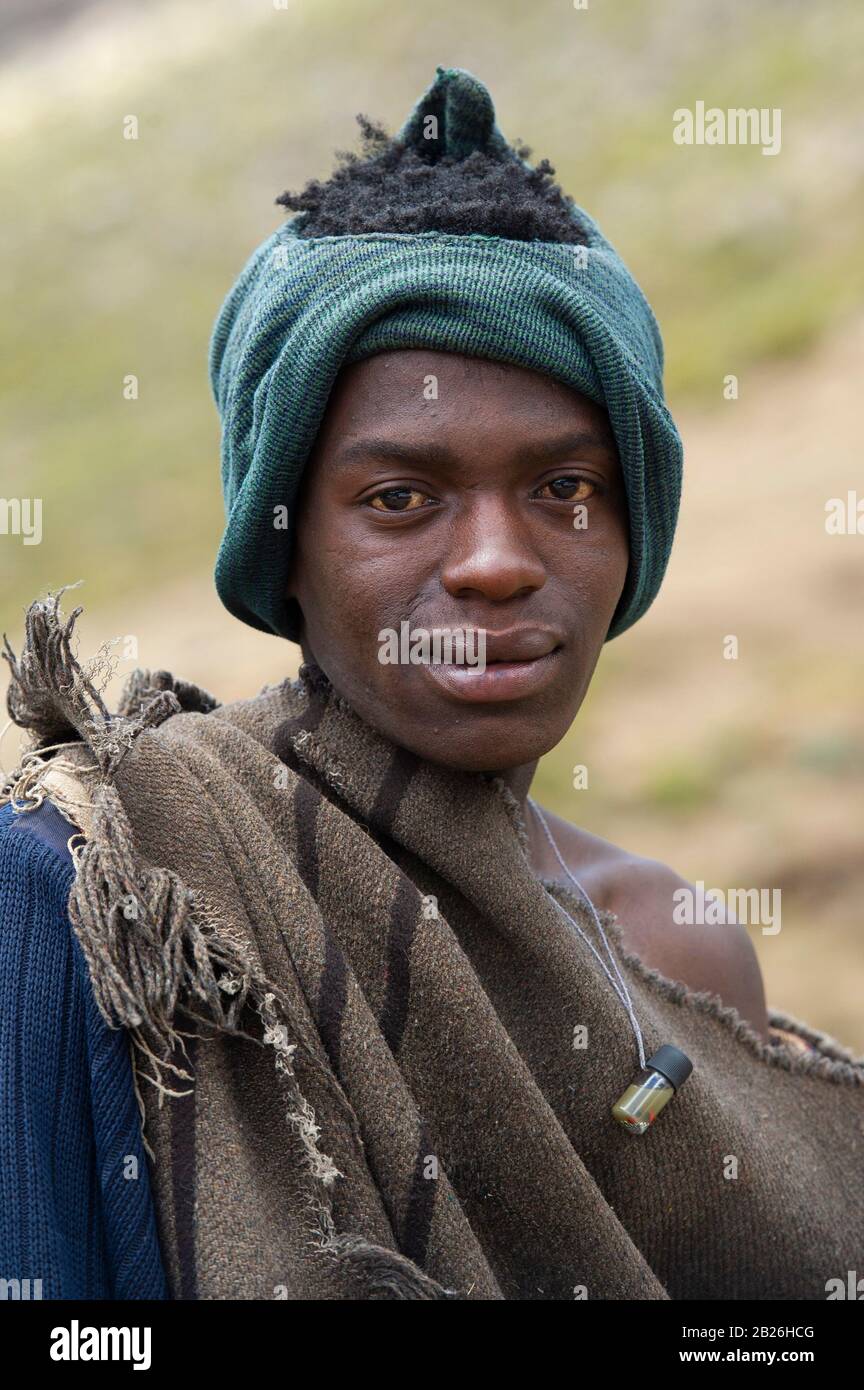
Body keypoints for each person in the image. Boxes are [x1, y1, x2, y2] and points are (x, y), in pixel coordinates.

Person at [2, 66, 862, 1302]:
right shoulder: (101, 895)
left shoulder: (677, 958)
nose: (501, 563)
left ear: (635, 540)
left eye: (568, 489)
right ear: (282, 545)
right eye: (400, 498)